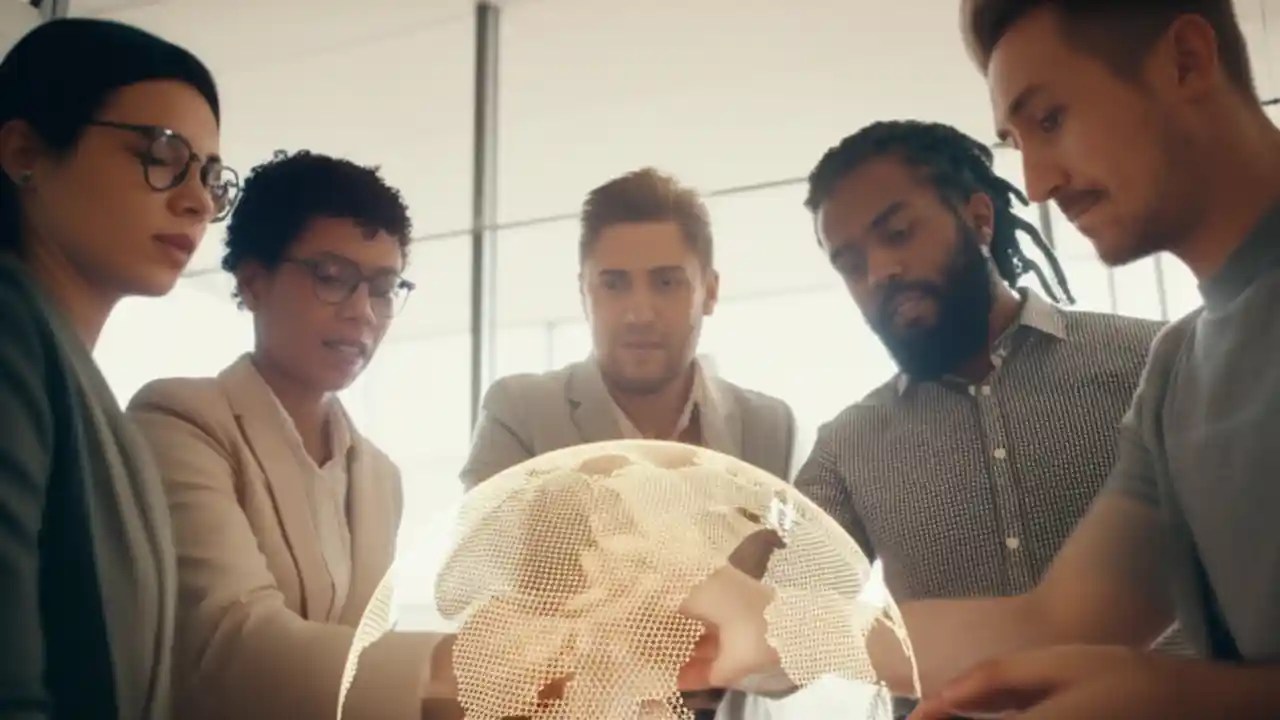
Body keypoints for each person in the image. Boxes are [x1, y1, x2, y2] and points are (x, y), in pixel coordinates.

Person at [679, 2, 1280, 718]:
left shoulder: (1139, 358)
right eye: (1018, 139)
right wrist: (767, 626)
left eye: (1051, 119)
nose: (1038, 182)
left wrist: (1196, 700)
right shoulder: (1179, 374)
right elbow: (1050, 626)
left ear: (1186, 60)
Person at [794, 119, 1173, 717]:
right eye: (849, 262)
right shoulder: (846, 447)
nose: (879, 272)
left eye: (897, 233)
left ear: (978, 218)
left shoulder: (1155, 365)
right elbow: (781, 603)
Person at [459, 167, 796, 719]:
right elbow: (489, 603)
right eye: (614, 283)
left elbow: (797, 635)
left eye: (667, 282)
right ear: (584, 292)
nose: (639, 312)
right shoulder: (521, 413)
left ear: (709, 291)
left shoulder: (768, 426)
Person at [126, 151, 437, 720]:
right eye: (332, 278)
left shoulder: (379, 476)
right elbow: (232, 644)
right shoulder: (179, 421)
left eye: (384, 287)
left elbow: (366, 661)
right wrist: (458, 668)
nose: (363, 312)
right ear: (254, 281)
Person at [0, 18, 231, 719]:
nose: (195, 200)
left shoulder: (81, 382)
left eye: (212, 176)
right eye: (161, 153)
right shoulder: (11, 328)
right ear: (24, 151)